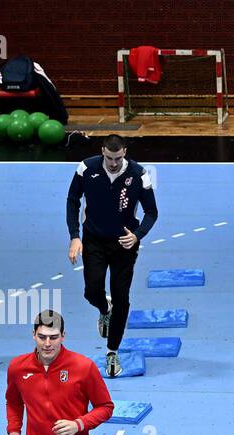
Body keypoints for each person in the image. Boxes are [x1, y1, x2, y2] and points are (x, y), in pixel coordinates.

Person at [65, 134, 159, 377]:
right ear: (102, 152)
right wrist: (75, 236)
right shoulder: (86, 168)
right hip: (93, 240)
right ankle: (103, 308)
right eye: (109, 157)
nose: (113, 163)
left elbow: (151, 212)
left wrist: (138, 235)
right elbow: (73, 200)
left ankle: (112, 352)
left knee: (122, 297)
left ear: (125, 152)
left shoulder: (139, 174)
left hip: (124, 245)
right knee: (92, 290)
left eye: (118, 158)